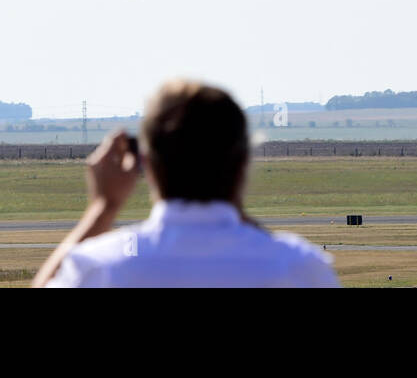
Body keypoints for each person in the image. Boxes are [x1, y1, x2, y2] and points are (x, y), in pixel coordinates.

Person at [33, 79, 338, 288]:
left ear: (146, 165)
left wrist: (103, 207)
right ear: (243, 164)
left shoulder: (97, 267)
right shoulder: (299, 268)